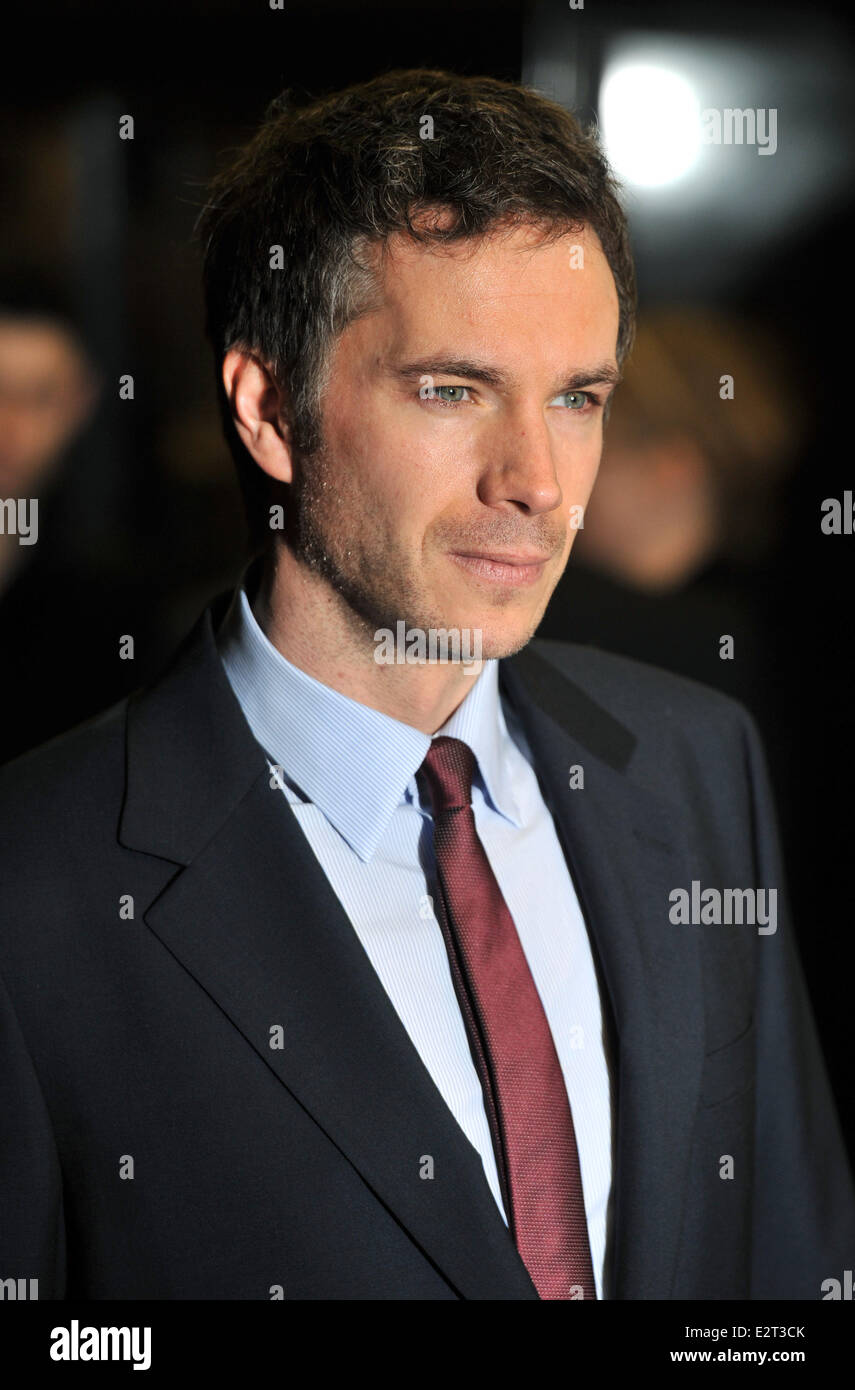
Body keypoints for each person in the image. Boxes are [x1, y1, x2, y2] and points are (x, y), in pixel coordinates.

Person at [0, 69, 852, 1302]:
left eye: (578, 398)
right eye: (454, 390)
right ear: (270, 408)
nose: (538, 480)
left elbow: (788, 1267)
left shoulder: (694, 759)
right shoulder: (37, 883)